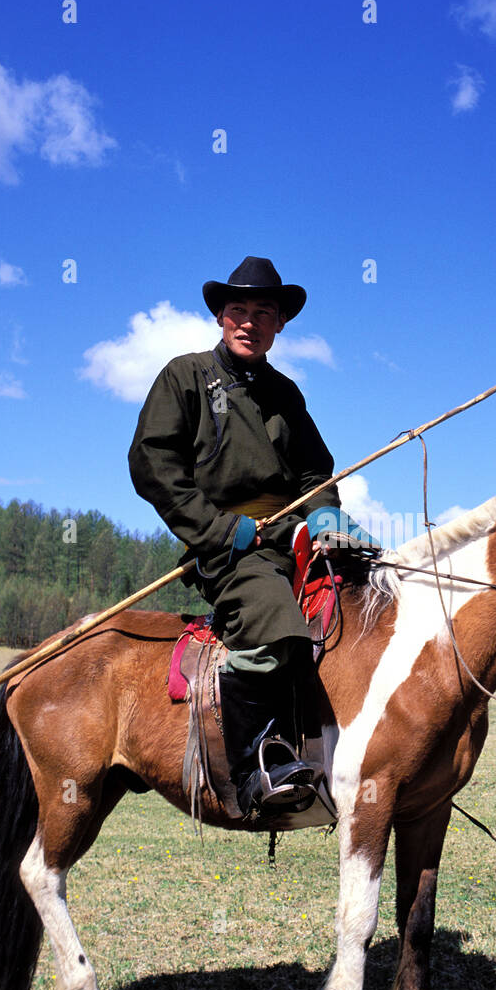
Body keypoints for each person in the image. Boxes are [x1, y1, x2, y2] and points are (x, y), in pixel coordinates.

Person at [128, 256, 373, 819]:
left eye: (264, 312)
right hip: (228, 549)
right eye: (238, 310)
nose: (250, 322)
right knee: (271, 613)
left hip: (292, 537)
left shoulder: (286, 393)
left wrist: (327, 516)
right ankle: (255, 766)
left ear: (280, 324)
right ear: (220, 315)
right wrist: (218, 530)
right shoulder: (184, 376)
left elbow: (314, 474)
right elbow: (151, 464)